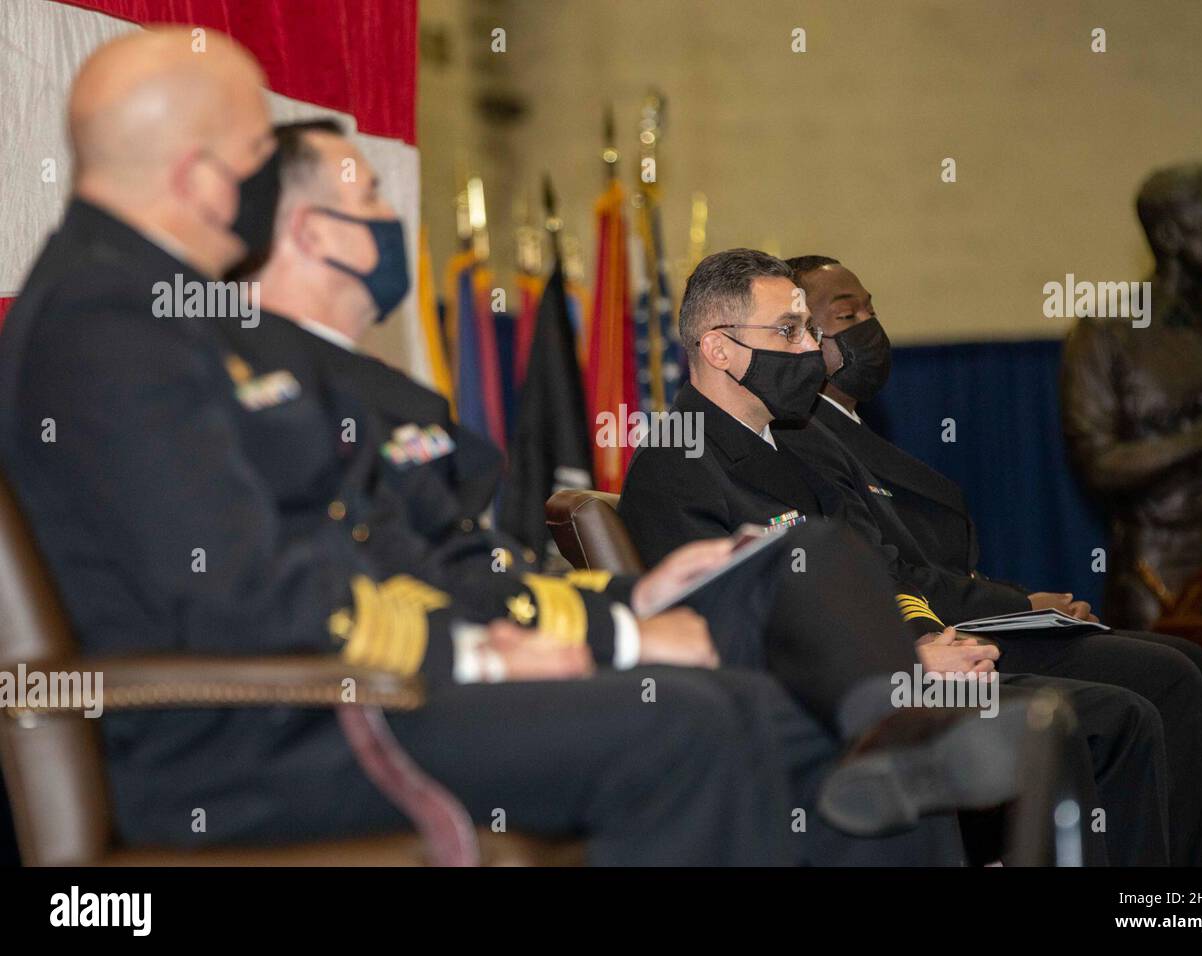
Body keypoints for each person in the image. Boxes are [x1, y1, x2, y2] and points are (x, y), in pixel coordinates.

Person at [0, 28, 808, 865]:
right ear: (201, 178)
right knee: (689, 725)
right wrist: (474, 656)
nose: (268, 186)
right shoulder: (108, 323)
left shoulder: (169, 311)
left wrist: (547, 632)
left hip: (318, 698)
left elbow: (351, 537)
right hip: (249, 740)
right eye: (255, 154)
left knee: (755, 710)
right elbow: (236, 592)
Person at [222, 118, 1063, 858]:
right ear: (308, 231)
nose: (392, 216)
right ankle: (899, 715)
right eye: (370, 195)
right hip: (376, 693)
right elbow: (291, 592)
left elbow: (468, 563)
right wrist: (565, 640)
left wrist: (616, 608)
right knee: (727, 717)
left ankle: (895, 720)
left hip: (487, 639)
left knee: (805, 569)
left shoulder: (391, 397)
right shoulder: (235, 385)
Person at [616, 249, 1198, 865]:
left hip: (892, 670)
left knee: (1122, 716)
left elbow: (871, 572)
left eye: (809, 330)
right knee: (1098, 722)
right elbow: (712, 640)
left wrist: (926, 640)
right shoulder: (676, 468)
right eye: (788, 332)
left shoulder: (791, 447)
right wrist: (903, 664)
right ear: (718, 349)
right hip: (815, 706)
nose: (812, 350)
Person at [786, 253, 1202, 866]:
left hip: (964, 619)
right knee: (1166, 678)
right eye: (847, 314)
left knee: (1189, 663)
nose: (870, 326)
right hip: (945, 640)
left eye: (873, 308)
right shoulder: (808, 437)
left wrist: (1028, 606)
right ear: (801, 337)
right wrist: (1021, 605)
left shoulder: (847, 428)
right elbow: (895, 577)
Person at [1061, 160, 1202, 629]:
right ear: (1168, 237)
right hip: (1158, 578)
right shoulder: (1107, 336)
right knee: (1171, 694)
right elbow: (1100, 465)